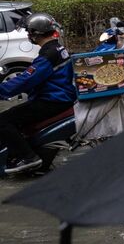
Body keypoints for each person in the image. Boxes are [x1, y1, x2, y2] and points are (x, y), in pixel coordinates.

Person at [0, 13, 75, 174]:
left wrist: (2, 90)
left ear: (36, 33)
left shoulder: (48, 54)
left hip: (52, 100)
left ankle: (29, 157)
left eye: (29, 32)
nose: (28, 35)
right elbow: (32, 78)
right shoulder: (56, 48)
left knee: (3, 120)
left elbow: (27, 79)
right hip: (60, 97)